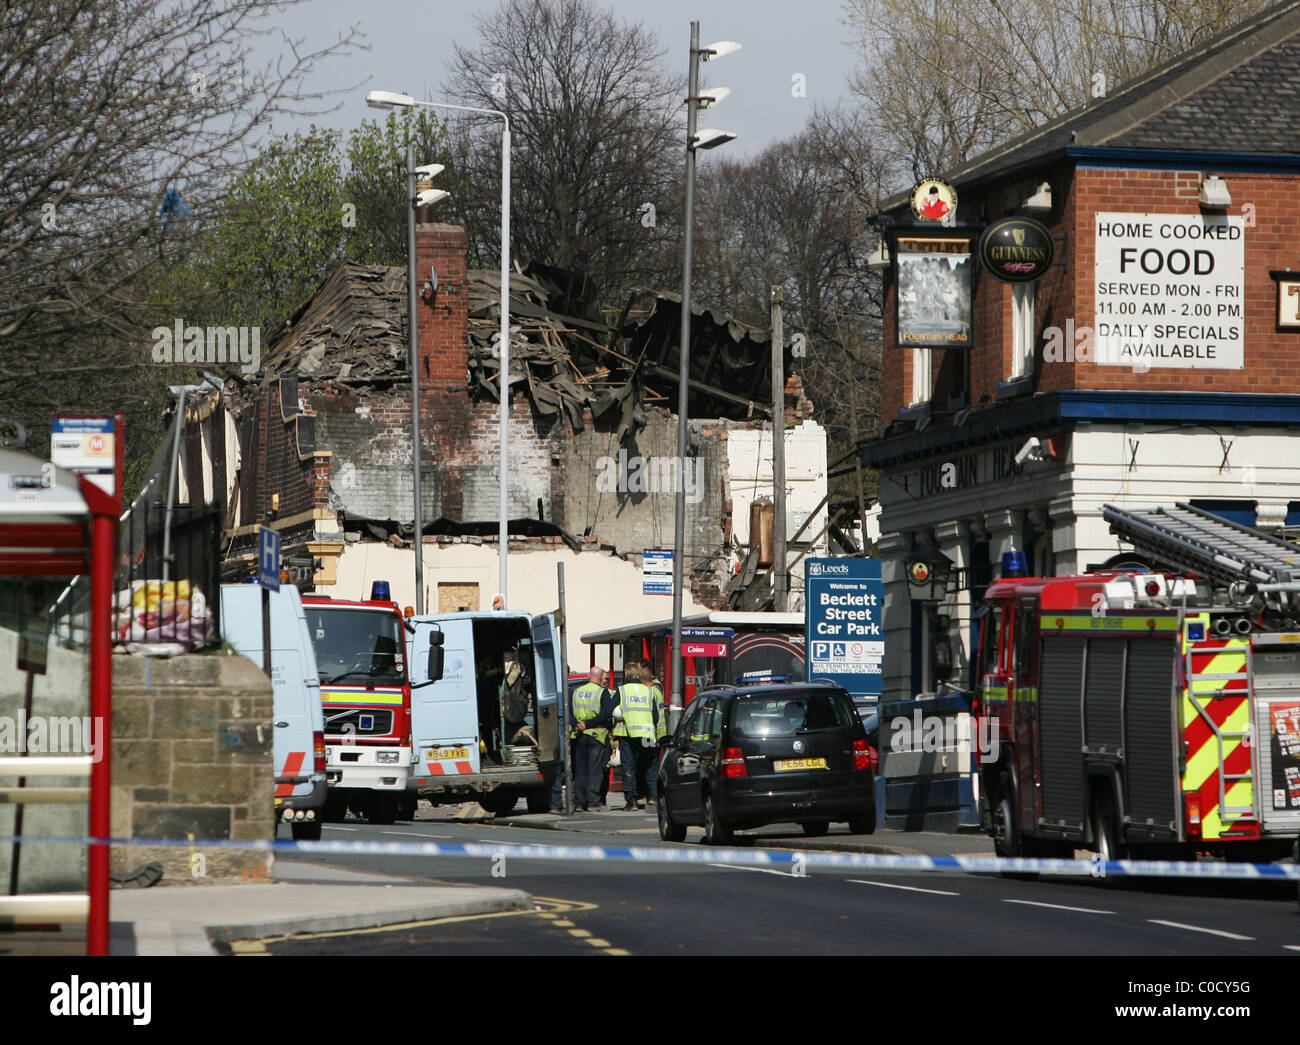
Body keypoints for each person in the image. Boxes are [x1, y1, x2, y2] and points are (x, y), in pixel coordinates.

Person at [551, 666, 614, 812]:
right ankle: (593, 802)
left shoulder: (577, 691)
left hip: (578, 735)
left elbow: (570, 712)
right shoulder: (601, 692)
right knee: (594, 770)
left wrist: (577, 725)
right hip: (596, 735)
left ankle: (579, 803)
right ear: (599, 678)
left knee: (580, 771)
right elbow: (604, 715)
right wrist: (587, 724)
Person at [612, 658, 662, 810]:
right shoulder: (649, 691)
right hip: (647, 734)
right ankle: (652, 797)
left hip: (628, 735)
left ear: (627, 674)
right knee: (650, 765)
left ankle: (631, 801)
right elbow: (655, 715)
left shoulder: (622, 690)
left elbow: (612, 711)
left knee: (629, 766)